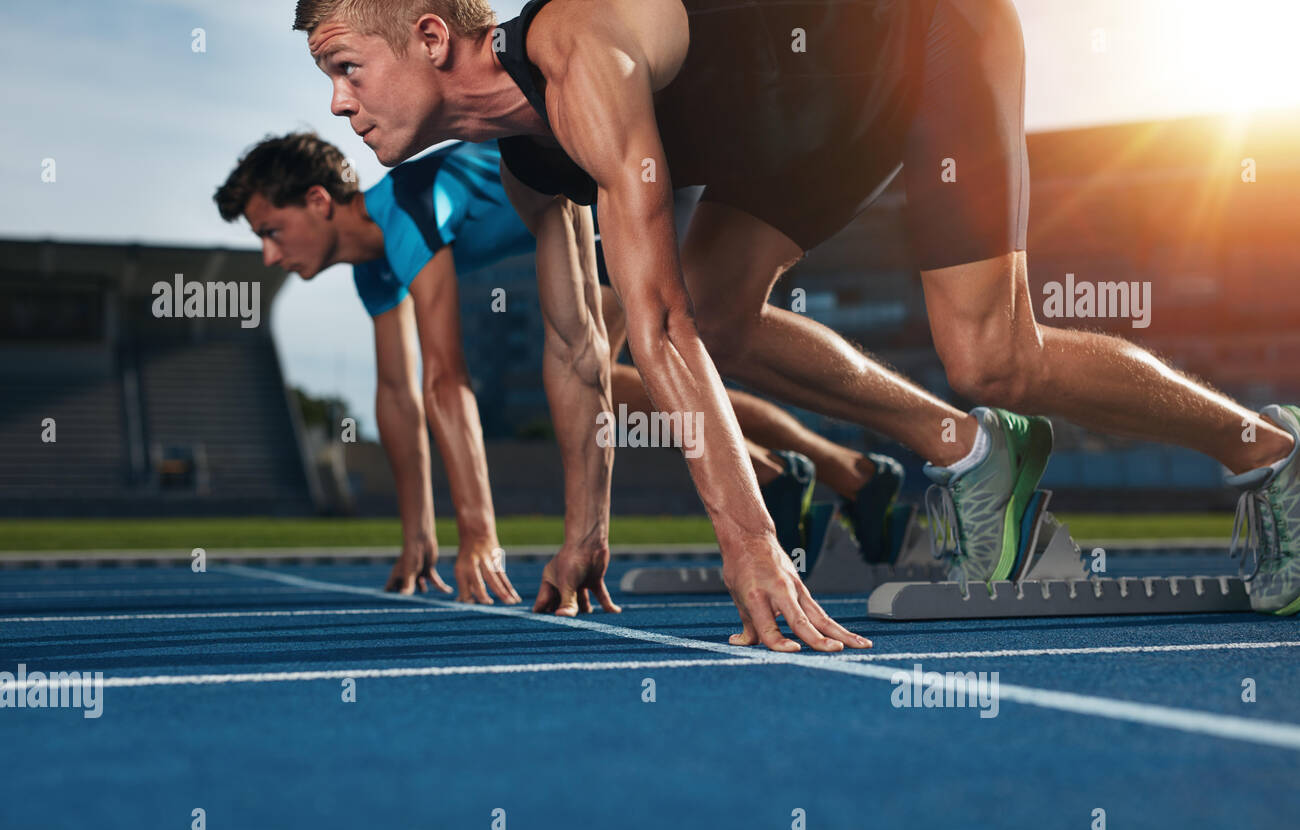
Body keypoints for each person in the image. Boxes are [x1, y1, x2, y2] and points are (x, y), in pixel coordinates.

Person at [292, 0, 1298, 651]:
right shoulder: (530, 164)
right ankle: (974, 454)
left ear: (430, 35)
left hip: (918, 37)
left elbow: (660, 312)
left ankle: (1269, 450)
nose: (337, 105)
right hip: (795, 129)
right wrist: (583, 534)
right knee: (703, 321)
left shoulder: (579, 49)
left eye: (345, 67)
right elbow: (575, 348)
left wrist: (748, 538)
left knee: (991, 352)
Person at [215, 132, 903, 605]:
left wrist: (478, 533)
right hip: (580, 228)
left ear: (316, 201)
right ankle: (831, 472)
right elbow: (397, 396)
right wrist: (419, 534)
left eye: (269, 232)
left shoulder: (408, 208)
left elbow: (446, 380)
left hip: (608, 198)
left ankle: (818, 472)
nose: (270, 256)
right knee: (618, 387)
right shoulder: (374, 270)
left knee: (595, 375)